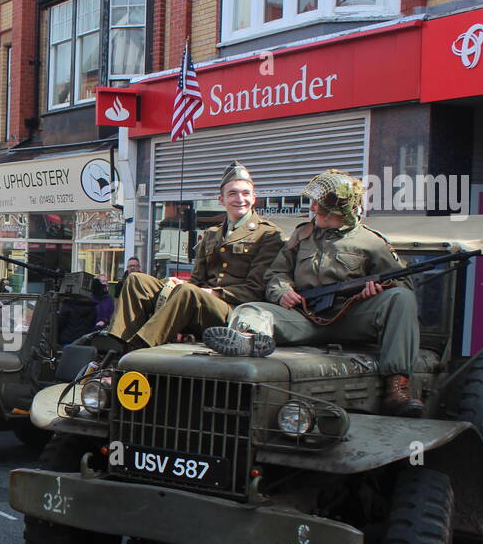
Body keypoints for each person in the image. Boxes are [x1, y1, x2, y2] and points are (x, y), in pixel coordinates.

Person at [204, 169, 425, 417]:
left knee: (401, 298)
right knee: (251, 310)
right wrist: (282, 291)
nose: (313, 210)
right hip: (304, 318)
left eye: (320, 208)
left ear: (340, 213)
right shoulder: (302, 235)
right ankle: (248, 342)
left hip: (351, 318)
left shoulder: (371, 242)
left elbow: (402, 283)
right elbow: (276, 274)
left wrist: (379, 290)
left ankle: (397, 387)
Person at [102, 162, 283, 353]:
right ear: (221, 199)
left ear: (254, 198)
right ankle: (115, 346)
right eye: (233, 193)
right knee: (136, 280)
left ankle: (139, 348)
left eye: (246, 193)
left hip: (235, 311)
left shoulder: (268, 234)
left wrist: (213, 293)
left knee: (187, 292)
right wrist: (176, 283)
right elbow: (197, 281)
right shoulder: (212, 234)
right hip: (200, 301)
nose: (240, 199)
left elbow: (257, 289)